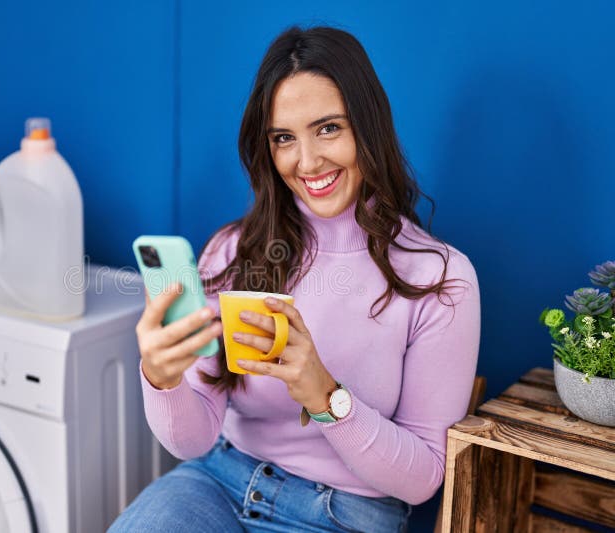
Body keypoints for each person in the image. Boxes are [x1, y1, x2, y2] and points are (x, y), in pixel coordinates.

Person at [110, 25, 480, 533]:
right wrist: (162, 378)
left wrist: (326, 397)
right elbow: (191, 440)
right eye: (284, 138)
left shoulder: (440, 279)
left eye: (328, 128)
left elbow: (423, 480)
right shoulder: (235, 250)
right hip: (216, 481)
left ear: (367, 127)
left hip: (342, 514)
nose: (307, 162)